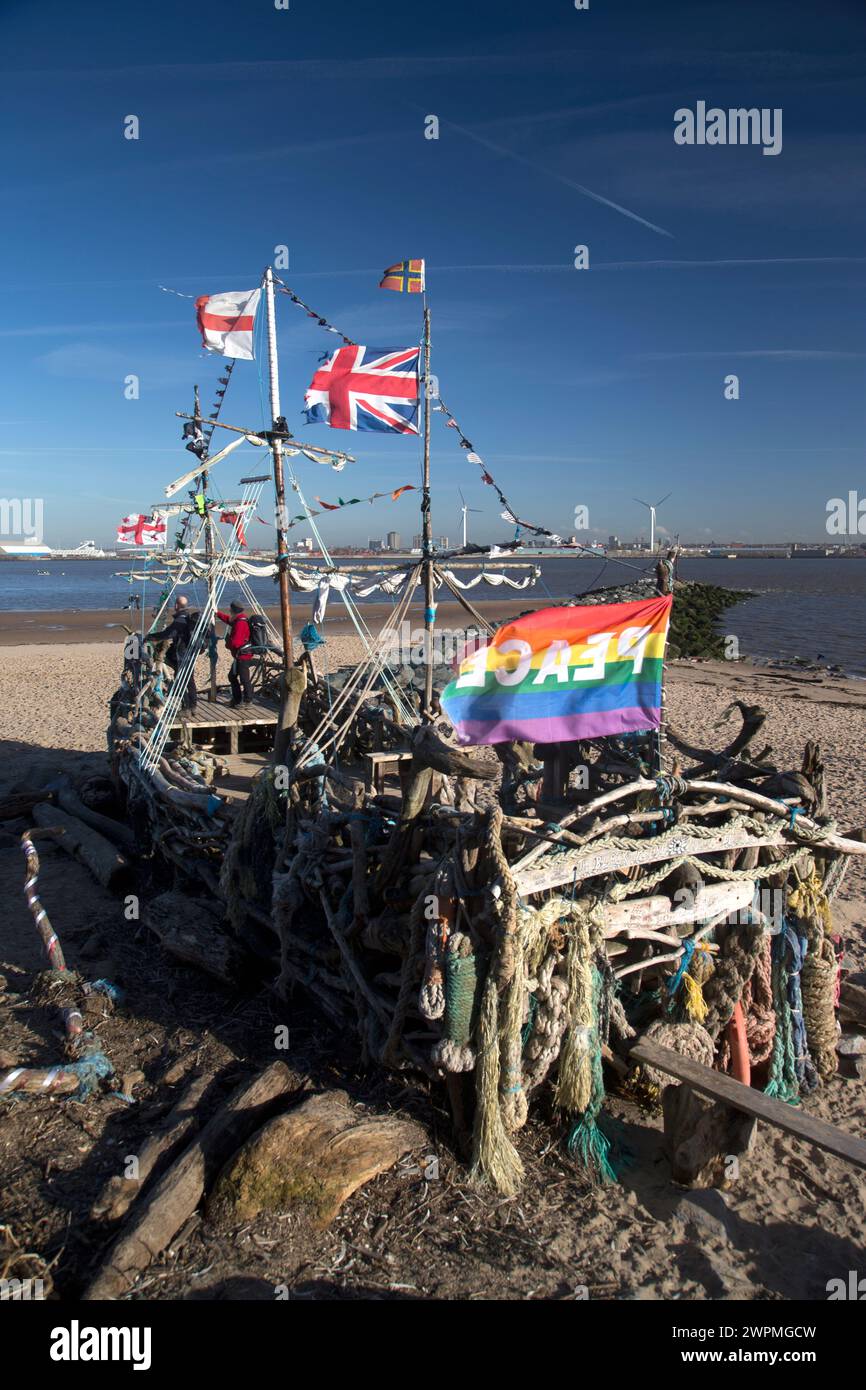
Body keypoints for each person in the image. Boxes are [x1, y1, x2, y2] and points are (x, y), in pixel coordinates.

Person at [148, 594, 198, 710]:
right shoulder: (189, 618)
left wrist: (151, 637)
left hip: (181, 655)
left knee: (180, 681)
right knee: (190, 680)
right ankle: (193, 706)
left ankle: (187, 708)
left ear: (176, 605)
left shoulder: (180, 620)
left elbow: (168, 634)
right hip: (191, 654)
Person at [216, 599, 254, 706]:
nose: (229, 610)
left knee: (244, 678)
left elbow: (236, 643)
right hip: (240, 655)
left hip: (243, 655)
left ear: (233, 610)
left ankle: (247, 701)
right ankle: (237, 699)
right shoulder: (239, 619)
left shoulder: (240, 623)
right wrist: (217, 613)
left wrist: (227, 643)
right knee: (232, 676)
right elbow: (229, 620)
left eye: (230, 609)